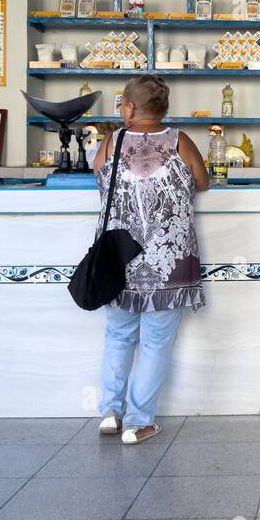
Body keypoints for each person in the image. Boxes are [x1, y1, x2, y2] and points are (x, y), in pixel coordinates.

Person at [90, 74, 209, 444]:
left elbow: (96, 173)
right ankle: (138, 421)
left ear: (128, 107)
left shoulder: (112, 141)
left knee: (119, 335)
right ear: (165, 109)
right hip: (168, 262)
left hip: (119, 259)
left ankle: (110, 411)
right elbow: (203, 182)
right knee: (156, 342)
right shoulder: (180, 141)